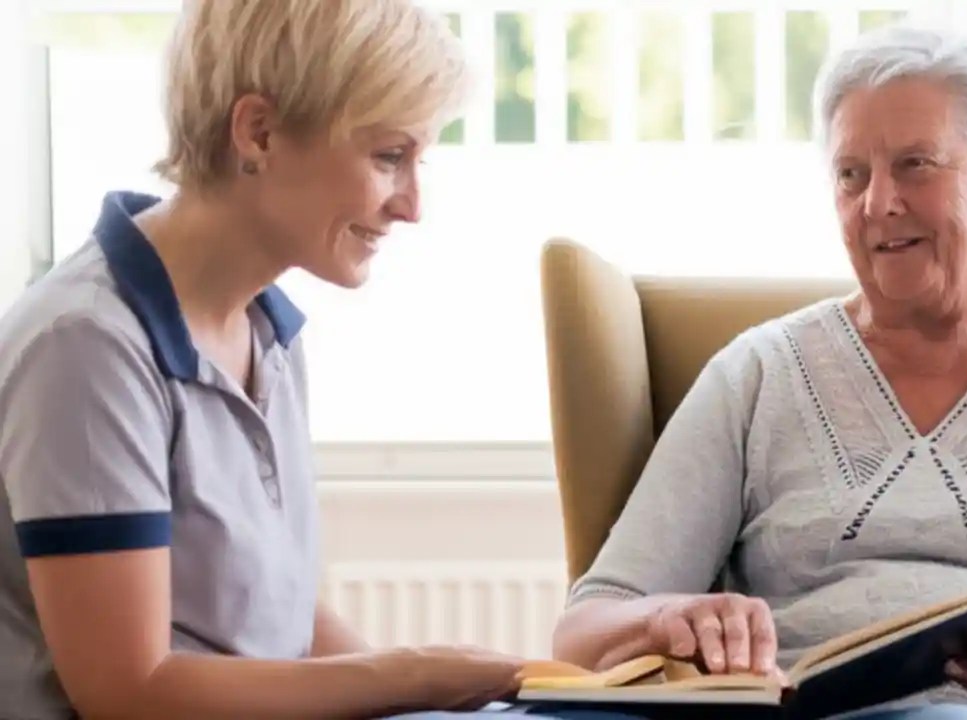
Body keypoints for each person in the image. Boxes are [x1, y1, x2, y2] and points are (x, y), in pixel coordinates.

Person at [550, 26, 967, 720]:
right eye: (851, 173)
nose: (877, 203)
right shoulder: (756, 376)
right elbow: (584, 631)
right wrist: (667, 620)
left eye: (916, 164)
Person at [0, 2, 634, 719]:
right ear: (259, 132)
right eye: (390, 157)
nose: (413, 205)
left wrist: (447, 698)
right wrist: (418, 675)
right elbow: (128, 690)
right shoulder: (86, 348)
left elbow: (282, 622)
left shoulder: (266, 330)